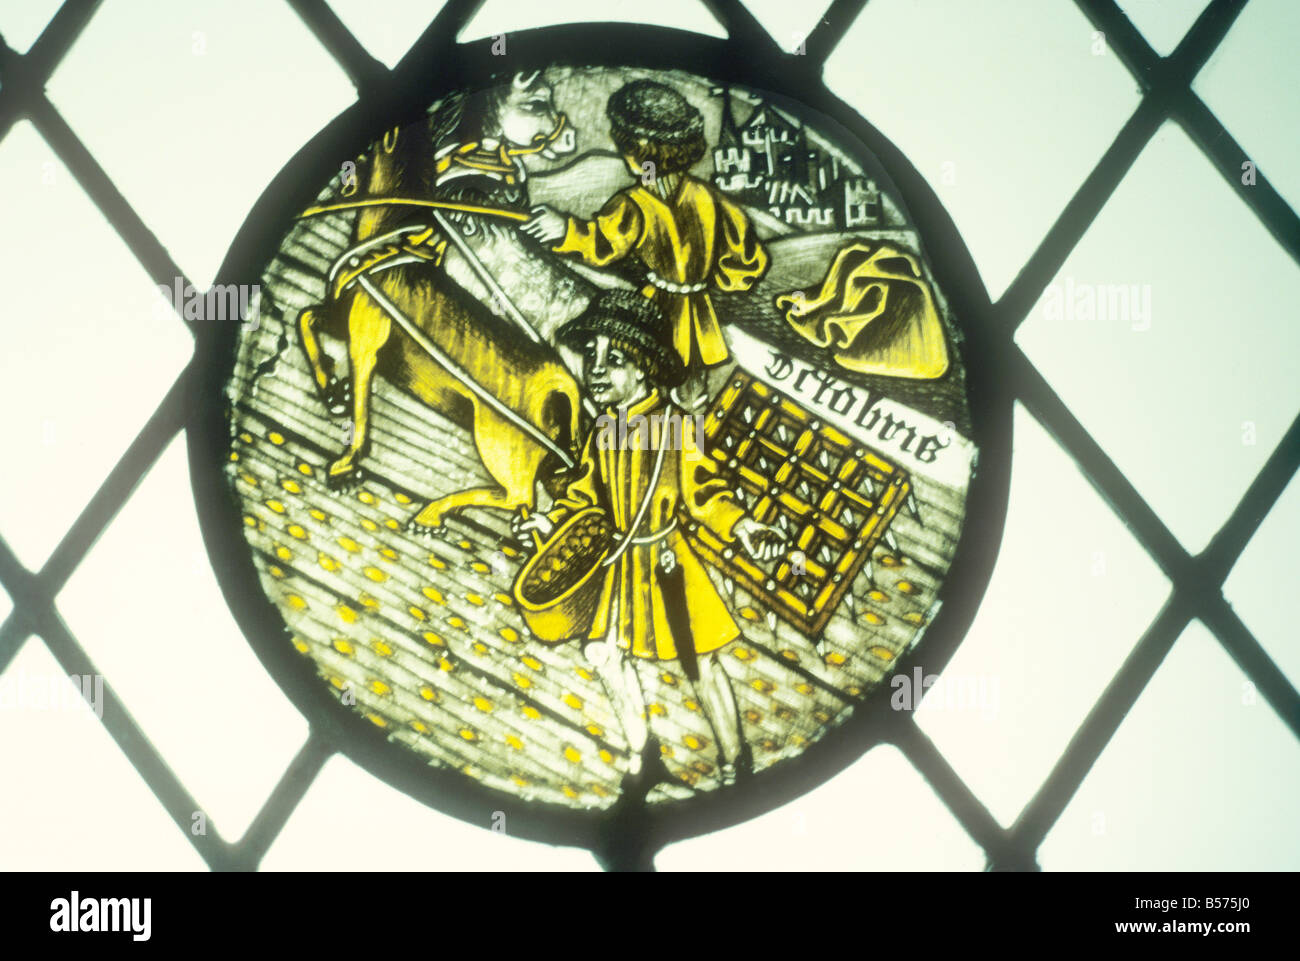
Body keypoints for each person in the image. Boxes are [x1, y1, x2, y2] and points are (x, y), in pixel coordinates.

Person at [514, 291, 784, 785]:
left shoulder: (677, 427)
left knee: (697, 660)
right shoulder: (602, 430)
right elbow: (586, 495)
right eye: (592, 356)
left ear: (642, 369)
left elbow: (706, 490)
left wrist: (743, 525)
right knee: (603, 654)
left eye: (612, 360)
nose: (596, 369)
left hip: (666, 563)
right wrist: (551, 523)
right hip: (619, 566)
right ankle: (644, 754)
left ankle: (734, 760)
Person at [521, 79, 769, 407]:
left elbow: (602, 243)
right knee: (692, 391)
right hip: (698, 313)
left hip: (656, 310)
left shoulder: (635, 203)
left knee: (649, 377)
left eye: (623, 143)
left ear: (640, 147)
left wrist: (562, 230)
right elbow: (744, 261)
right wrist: (711, 280)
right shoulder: (709, 198)